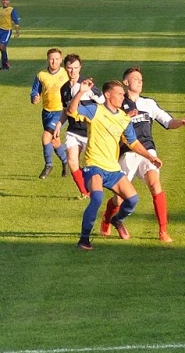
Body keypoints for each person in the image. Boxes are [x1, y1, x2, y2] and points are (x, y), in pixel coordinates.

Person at [66, 77, 161, 250]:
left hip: (113, 168)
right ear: (108, 94)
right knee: (97, 198)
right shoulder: (95, 110)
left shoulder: (124, 119)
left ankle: (117, 220)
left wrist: (150, 157)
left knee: (132, 199)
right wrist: (81, 91)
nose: (122, 98)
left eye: (123, 95)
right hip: (94, 165)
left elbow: (133, 143)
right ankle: (84, 239)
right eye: (119, 94)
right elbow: (71, 111)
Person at [101, 66, 185, 241]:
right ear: (126, 82)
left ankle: (163, 230)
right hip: (126, 153)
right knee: (119, 200)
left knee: (155, 184)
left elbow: (167, 121)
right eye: (136, 79)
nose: (140, 82)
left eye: (141, 79)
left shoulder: (148, 104)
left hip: (147, 151)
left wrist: (180, 122)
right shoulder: (117, 103)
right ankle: (107, 219)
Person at [30, 48, 72, 178]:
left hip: (60, 112)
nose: (54, 61)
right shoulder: (41, 75)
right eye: (51, 59)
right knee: (55, 142)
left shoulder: (66, 74)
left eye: (57, 59)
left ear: (61, 60)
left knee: (46, 138)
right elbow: (34, 91)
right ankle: (66, 162)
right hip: (46, 112)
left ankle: (48, 165)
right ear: (47, 60)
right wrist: (34, 97)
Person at [60, 55, 96, 196]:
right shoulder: (64, 89)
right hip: (73, 130)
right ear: (65, 69)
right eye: (69, 68)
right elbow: (66, 110)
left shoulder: (87, 86)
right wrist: (58, 124)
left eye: (75, 68)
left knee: (92, 166)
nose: (72, 71)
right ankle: (84, 192)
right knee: (72, 161)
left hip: (89, 131)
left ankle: (94, 188)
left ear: (80, 68)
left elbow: (103, 103)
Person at [0, 0, 20, 69]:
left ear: (9, 1)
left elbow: (16, 21)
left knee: (2, 46)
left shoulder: (11, 10)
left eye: (6, 0)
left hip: (7, 30)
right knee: (2, 47)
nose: (5, 2)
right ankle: (4, 65)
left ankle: (6, 62)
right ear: (1, 1)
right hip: (0, 30)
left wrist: (17, 31)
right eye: (3, 0)